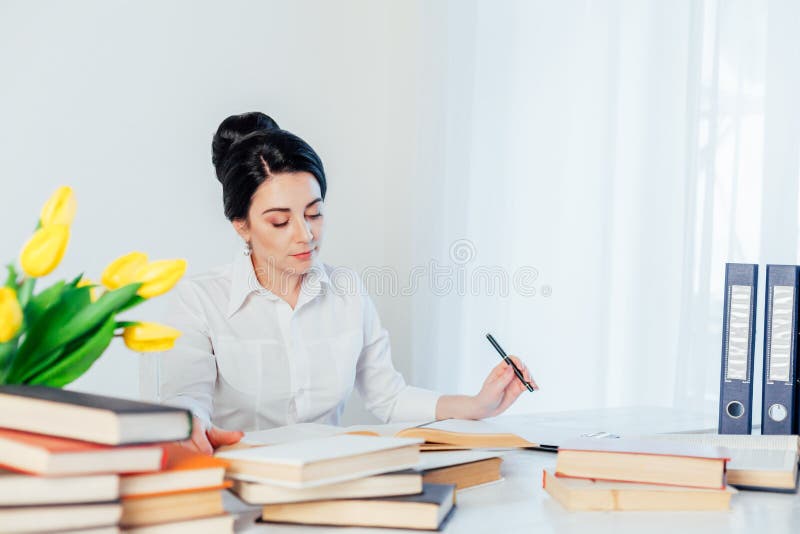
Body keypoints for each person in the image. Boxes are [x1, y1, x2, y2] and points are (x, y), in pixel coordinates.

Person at [158, 112, 535, 454]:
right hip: (240, 482)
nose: (305, 234)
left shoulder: (347, 292)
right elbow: (187, 398)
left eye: (314, 213)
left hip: (329, 479)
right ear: (242, 225)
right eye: (280, 222)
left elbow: (389, 397)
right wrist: (188, 422)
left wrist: (475, 405)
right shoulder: (200, 301)